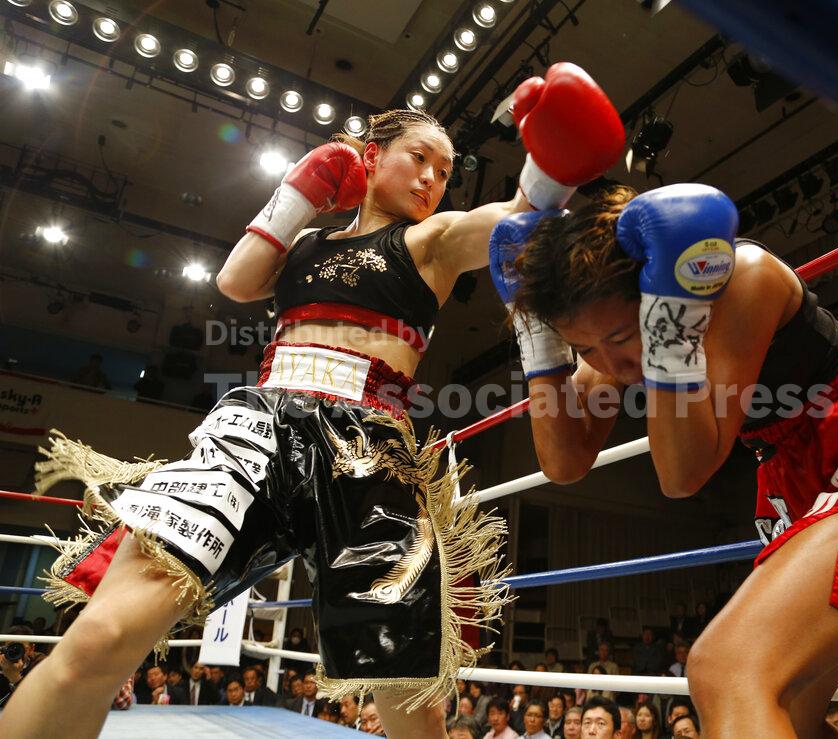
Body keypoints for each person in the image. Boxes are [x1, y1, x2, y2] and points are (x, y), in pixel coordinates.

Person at [0, 63, 624, 739]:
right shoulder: (303, 246)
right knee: (96, 641)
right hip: (256, 433)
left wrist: (550, 164)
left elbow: (515, 223)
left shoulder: (431, 241)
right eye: (420, 159)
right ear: (371, 157)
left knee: (413, 709)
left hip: (368, 453)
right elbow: (236, 280)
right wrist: (300, 189)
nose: (431, 181)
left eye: (445, 173)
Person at [492, 183, 838, 738]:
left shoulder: (745, 276)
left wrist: (667, 326)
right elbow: (565, 461)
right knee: (784, 710)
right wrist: (540, 347)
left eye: (621, 338)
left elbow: (682, 474)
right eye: (584, 348)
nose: (611, 363)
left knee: (726, 671)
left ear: (651, 287)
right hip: (795, 479)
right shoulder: (611, 335)